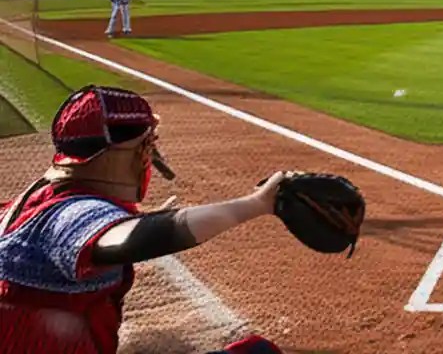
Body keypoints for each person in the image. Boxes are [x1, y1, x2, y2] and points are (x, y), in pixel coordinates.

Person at [0, 85, 288, 354]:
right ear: (116, 154)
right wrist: (257, 204)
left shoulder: (34, 200)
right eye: (147, 144)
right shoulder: (69, 214)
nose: (150, 155)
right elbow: (123, 239)